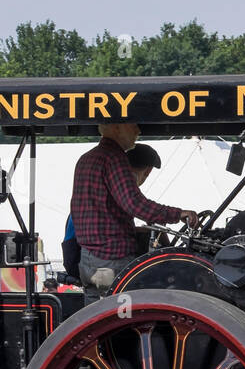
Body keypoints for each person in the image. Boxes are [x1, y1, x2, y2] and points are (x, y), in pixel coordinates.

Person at [70, 125, 198, 294]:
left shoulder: (86, 158)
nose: (137, 131)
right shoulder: (114, 158)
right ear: (116, 128)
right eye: (132, 127)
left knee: (96, 313)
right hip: (112, 259)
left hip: (88, 258)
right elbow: (134, 204)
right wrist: (178, 214)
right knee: (128, 312)